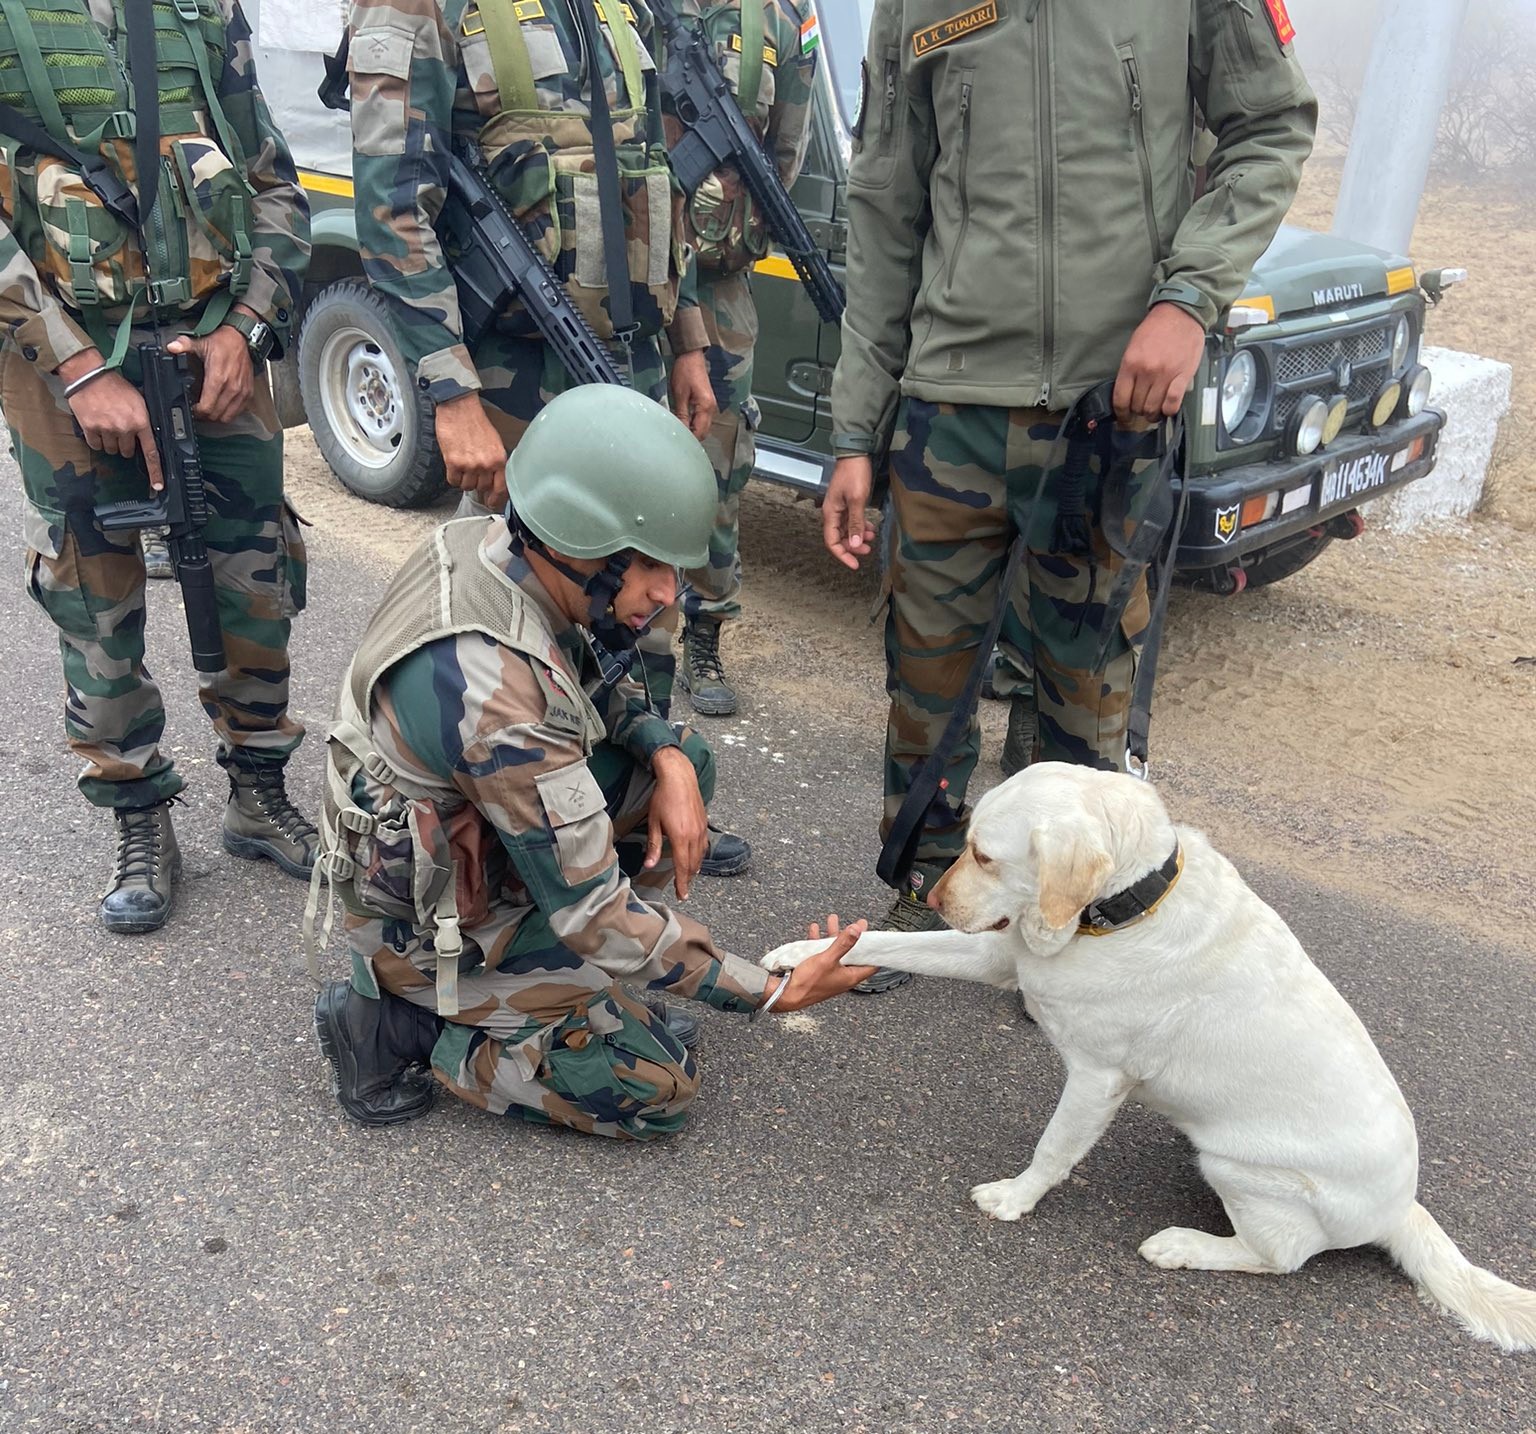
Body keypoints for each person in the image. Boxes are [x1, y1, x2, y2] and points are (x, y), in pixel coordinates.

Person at [820, 0, 1317, 957]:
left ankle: (1071, 917)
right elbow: (885, 210)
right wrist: (854, 430)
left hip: (1112, 408)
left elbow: (1270, 129)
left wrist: (1188, 300)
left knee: (1087, 692)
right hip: (949, 401)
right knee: (928, 675)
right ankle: (932, 891)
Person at [310, 386, 876, 1137]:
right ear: (584, 547)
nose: (668, 596)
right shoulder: (492, 690)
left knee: (682, 768)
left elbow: (589, 692)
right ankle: (396, 1025)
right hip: (426, 929)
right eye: (650, 570)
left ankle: (579, 982)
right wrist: (767, 989)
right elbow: (593, 910)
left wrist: (668, 754)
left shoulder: (502, 550)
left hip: (473, 845)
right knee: (651, 1084)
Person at [346, 0, 750, 876]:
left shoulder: (615, 9)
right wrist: (450, 393)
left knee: (642, 609)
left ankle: (640, 810)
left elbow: (650, 183)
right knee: (525, 625)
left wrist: (686, 338)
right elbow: (390, 205)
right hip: (514, 378)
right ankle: (526, 864)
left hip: (628, 363)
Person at [3, 0, 317, 934]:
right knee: (93, 595)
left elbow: (272, 181)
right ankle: (140, 818)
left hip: (214, 351)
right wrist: (76, 365)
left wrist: (247, 326)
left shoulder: (203, 10)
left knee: (256, 574)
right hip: (62, 368)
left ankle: (257, 795)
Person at [665, 0, 818, 718]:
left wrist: (724, 226)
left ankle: (702, 633)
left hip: (721, 289)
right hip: (629, 274)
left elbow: (781, 159)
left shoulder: (778, 22)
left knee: (717, 467)